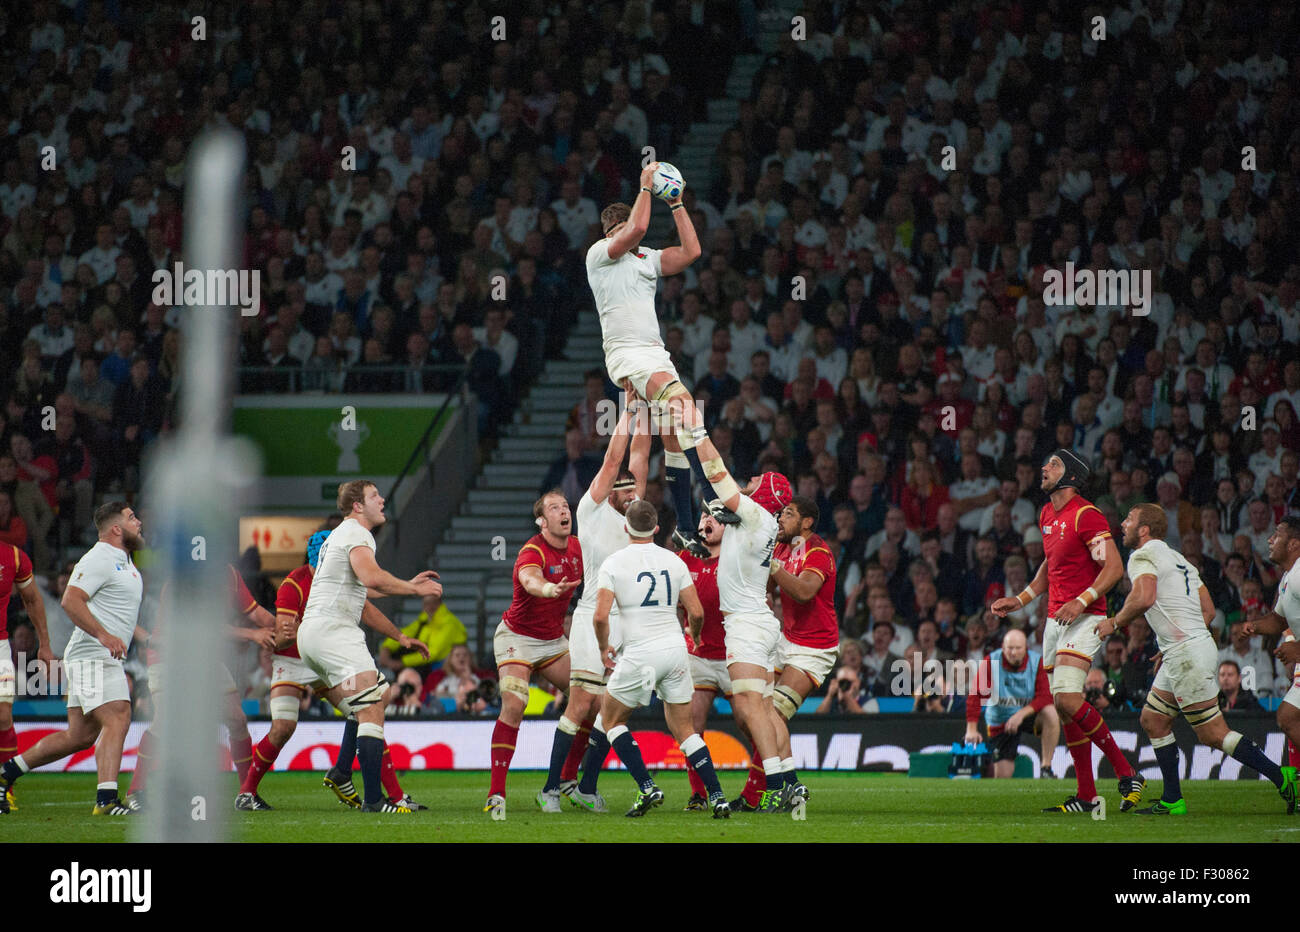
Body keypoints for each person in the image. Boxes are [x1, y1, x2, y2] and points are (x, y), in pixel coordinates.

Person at [1099, 504, 1293, 814]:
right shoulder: (1180, 560)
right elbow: (1209, 611)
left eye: (1129, 519)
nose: (1122, 524)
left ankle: (1280, 776)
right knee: (1153, 719)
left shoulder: (1141, 556)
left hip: (1187, 653)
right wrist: (1173, 642)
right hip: (1186, 649)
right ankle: (1173, 799)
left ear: (1145, 530)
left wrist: (1115, 621)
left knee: (1212, 734)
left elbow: (1145, 597)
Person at [587, 161, 732, 558]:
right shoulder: (600, 255)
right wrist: (647, 188)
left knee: (673, 431)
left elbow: (693, 251)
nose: (629, 236)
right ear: (609, 234)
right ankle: (716, 495)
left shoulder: (646, 258)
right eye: (621, 232)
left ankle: (685, 527)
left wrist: (678, 203)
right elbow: (635, 228)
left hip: (654, 353)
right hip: (626, 354)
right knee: (686, 409)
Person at [991, 449, 1144, 813]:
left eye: (1054, 464)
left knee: (1066, 700)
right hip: (1054, 622)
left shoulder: (1086, 514)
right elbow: (1051, 563)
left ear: (1072, 475)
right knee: (1065, 709)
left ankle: (1127, 772)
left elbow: (1114, 567)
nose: (1044, 468)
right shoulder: (1046, 514)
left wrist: (1083, 599)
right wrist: (1022, 598)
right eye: (1045, 463)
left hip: (1086, 616)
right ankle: (1088, 796)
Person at [237, 530, 426, 812]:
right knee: (284, 727)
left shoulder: (340, 579)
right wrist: (284, 634)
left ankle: (379, 788)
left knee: (366, 709)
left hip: (324, 660)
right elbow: (283, 636)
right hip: (291, 660)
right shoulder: (293, 585)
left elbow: (367, 608)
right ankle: (247, 793)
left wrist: (399, 636)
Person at [296, 481, 438, 814]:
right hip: (333, 633)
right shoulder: (359, 535)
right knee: (374, 702)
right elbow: (373, 578)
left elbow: (362, 595)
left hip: (313, 639)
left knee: (367, 704)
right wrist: (414, 591)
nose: (383, 499)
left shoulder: (339, 537)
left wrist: (401, 635)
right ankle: (375, 801)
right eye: (375, 495)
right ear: (358, 506)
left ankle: (343, 770)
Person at [584, 499, 730, 818]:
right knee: (685, 729)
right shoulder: (674, 560)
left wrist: (602, 646)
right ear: (657, 528)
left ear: (626, 527)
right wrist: (696, 634)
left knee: (611, 720)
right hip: (676, 651)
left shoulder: (614, 563)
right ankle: (718, 796)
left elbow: (599, 617)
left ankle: (648, 787)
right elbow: (696, 611)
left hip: (641, 653)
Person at [1, 503, 142, 815]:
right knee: (118, 715)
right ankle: (106, 800)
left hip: (95, 653)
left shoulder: (124, 560)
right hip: (93, 652)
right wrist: (104, 636)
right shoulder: (100, 557)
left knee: (79, 736)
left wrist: (141, 636)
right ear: (116, 528)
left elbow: (116, 611)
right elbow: (70, 600)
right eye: (132, 517)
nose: (139, 522)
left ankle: (7, 772)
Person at [540, 405, 646, 811]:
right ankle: (551, 787)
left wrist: (648, 415)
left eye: (635, 490)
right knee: (581, 701)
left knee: (612, 708)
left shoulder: (636, 517)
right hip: (590, 615)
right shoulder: (590, 509)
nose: (633, 494)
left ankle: (584, 786)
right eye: (626, 489)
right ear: (609, 490)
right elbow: (616, 458)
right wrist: (629, 410)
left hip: (625, 622)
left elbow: (638, 457)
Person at [127, 563, 278, 811]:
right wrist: (251, 635)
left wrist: (286, 629)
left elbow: (258, 614)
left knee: (237, 720)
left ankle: (246, 794)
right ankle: (136, 792)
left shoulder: (229, 573)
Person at [701, 465, 797, 811]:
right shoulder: (760, 519)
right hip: (758, 622)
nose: (749, 481)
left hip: (746, 624)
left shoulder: (755, 513)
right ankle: (791, 782)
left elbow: (717, 476)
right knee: (767, 710)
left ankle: (774, 785)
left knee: (748, 706)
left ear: (768, 493)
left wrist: (696, 432)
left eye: (756, 480)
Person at [483, 488, 581, 815]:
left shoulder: (578, 548)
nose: (563, 511)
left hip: (553, 641)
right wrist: (549, 588)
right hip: (517, 638)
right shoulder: (531, 551)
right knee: (515, 702)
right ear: (542, 521)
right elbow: (529, 580)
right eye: (554, 508)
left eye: (565, 505)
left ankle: (566, 779)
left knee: (593, 701)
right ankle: (496, 793)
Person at [750, 494, 839, 810]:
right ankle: (777, 789)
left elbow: (803, 592)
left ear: (807, 522)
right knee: (754, 712)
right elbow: (767, 590)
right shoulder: (782, 548)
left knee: (772, 713)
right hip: (785, 641)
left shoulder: (818, 553)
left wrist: (772, 567)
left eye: (787, 513)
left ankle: (789, 786)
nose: (780, 519)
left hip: (814, 648)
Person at [1244, 516, 1300, 785]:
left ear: (1293, 544)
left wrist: (1297, 647)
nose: (1270, 539)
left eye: (1277, 534)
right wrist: (1254, 626)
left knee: (1289, 717)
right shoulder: (1289, 577)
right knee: (1288, 717)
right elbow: (1278, 620)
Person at [679, 511, 729, 809]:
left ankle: (760, 789)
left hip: (734, 655)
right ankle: (699, 794)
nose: (708, 521)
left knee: (753, 724)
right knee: (692, 725)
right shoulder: (685, 557)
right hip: (697, 655)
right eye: (703, 516)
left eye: (716, 517)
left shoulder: (736, 557)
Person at [0, 539, 54, 811]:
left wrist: (44, 644)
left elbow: (32, 598)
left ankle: (3, 789)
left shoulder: (13, 557)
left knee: (3, 715)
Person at [963, 629, 1057, 778]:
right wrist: (971, 729)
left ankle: (1046, 767)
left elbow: (1045, 697)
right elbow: (975, 695)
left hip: (1028, 715)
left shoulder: (1037, 662)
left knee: (1051, 713)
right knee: (1002, 776)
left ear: (1026, 647)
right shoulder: (991, 662)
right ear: (1003, 647)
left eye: (1018, 648)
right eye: (1009, 648)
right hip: (1001, 720)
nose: (1013, 653)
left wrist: (1020, 714)